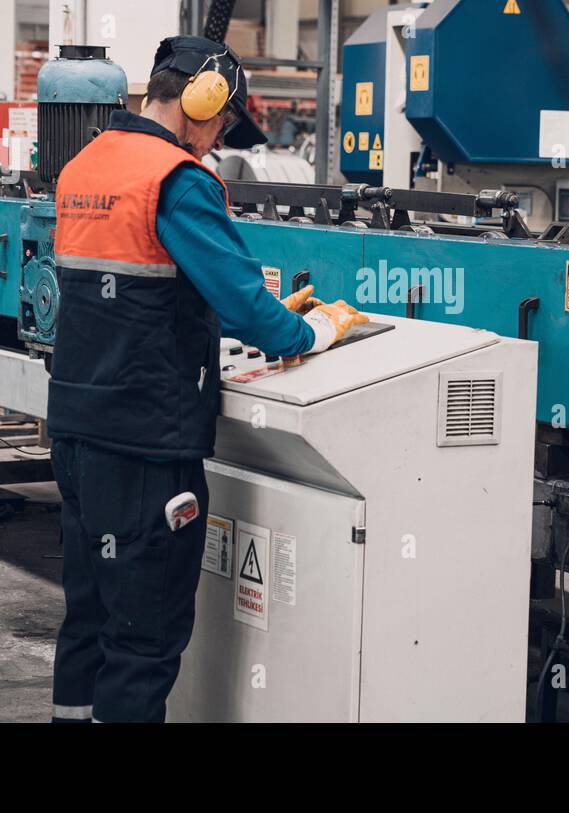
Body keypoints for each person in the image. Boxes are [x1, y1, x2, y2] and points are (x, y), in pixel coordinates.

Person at [46, 35, 367, 722]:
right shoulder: (176, 179)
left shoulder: (86, 165)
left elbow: (136, 293)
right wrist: (316, 329)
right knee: (143, 643)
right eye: (224, 121)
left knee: (88, 624)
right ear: (203, 98)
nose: (220, 139)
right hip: (144, 448)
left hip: (77, 433)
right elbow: (254, 311)